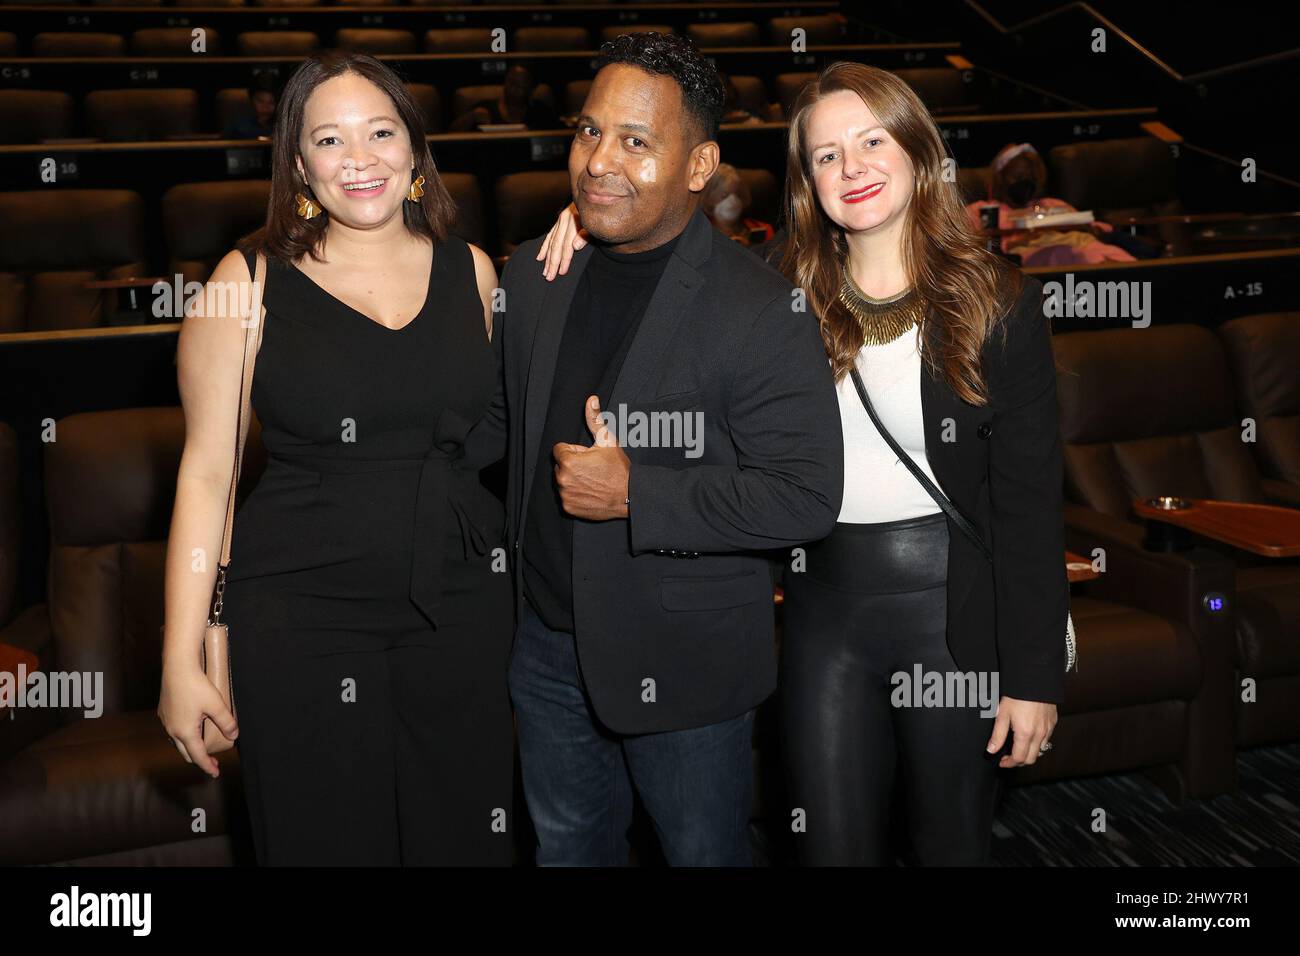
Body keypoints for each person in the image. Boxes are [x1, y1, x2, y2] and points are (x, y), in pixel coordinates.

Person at [538, 61, 1068, 866]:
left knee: (952, 844)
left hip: (952, 616)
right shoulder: (775, 285)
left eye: (871, 141)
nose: (850, 167)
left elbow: (1028, 504)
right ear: (806, 179)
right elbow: (665, 248)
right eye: (825, 155)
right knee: (828, 845)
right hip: (826, 612)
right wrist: (588, 224)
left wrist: (1033, 676)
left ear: (919, 149)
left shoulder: (997, 301)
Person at [479, 31, 843, 866]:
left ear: (699, 165)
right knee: (569, 851)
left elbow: (805, 495)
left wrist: (638, 493)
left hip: (686, 663)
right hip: (543, 647)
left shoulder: (760, 308)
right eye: (589, 131)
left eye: (637, 142)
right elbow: (496, 426)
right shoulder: (538, 271)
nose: (599, 160)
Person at [157, 50, 514, 866]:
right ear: (296, 163)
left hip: (459, 604)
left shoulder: (474, 270)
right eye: (329, 140)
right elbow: (207, 477)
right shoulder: (243, 284)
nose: (360, 158)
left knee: (464, 838)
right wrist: (186, 650)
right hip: (301, 611)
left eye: (381, 132)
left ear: (415, 150)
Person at [966, 142, 1138, 265]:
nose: (1025, 182)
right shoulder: (983, 210)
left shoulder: (1051, 204)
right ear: (1001, 177)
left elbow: (1097, 228)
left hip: (1084, 246)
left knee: (1117, 258)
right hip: (1042, 257)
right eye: (1018, 177)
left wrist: (1092, 228)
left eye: (1030, 177)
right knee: (1067, 254)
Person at [449, 64, 560, 131]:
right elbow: (450, 135)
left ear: (531, 90)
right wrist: (471, 117)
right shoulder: (485, 108)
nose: (512, 89)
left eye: (520, 86)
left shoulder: (541, 113)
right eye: (510, 83)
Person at [701, 163, 775, 247]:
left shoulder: (763, 230)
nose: (733, 201)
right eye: (724, 195)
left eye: (737, 194)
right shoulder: (700, 232)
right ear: (709, 198)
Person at [223, 72, 279, 140]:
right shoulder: (239, 124)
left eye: (271, 102)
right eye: (260, 101)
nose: (265, 107)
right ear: (251, 99)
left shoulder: (281, 122)